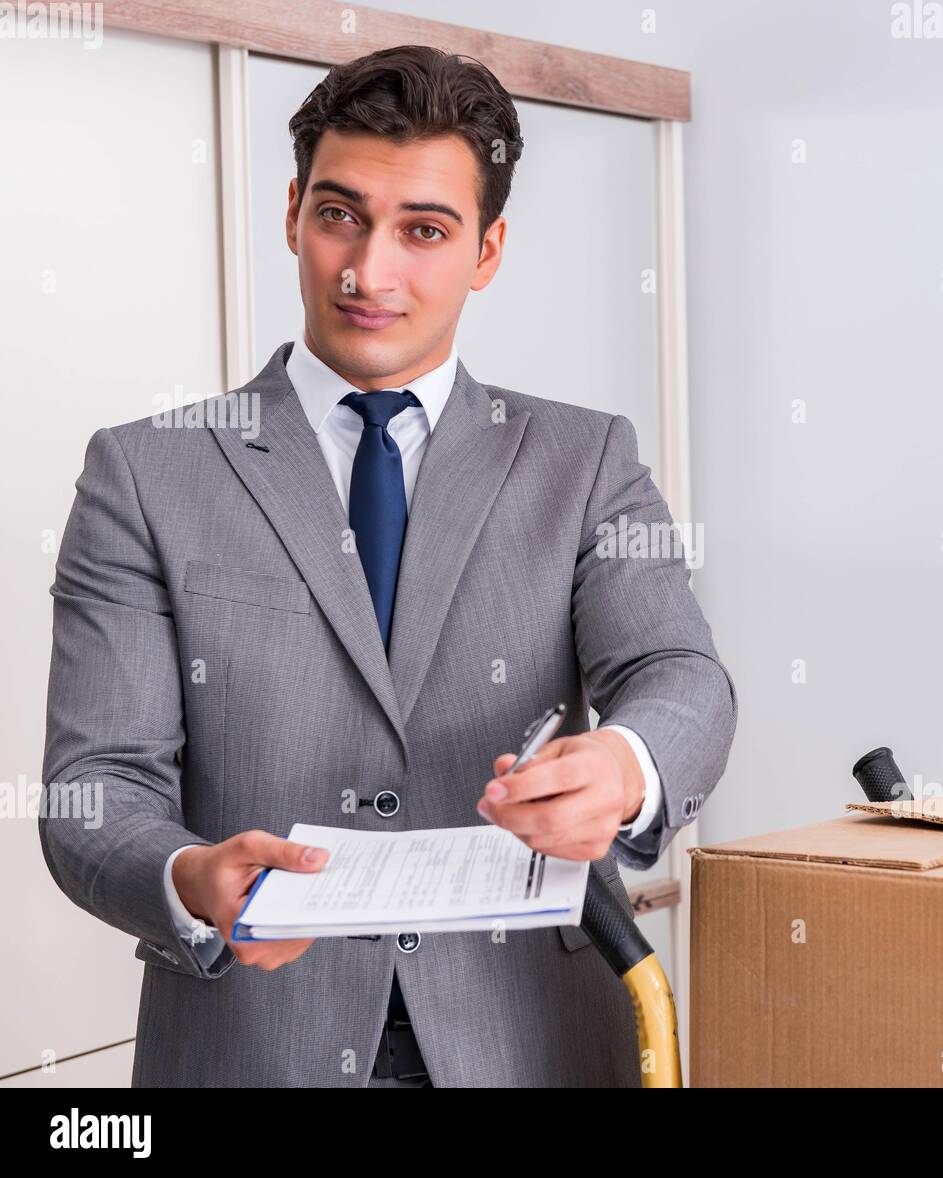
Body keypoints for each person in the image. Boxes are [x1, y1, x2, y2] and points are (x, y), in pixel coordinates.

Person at [39, 44, 737, 1088]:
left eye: (423, 229)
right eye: (339, 215)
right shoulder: (146, 473)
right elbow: (94, 787)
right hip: (252, 1040)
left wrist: (624, 765)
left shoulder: (582, 460)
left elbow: (681, 673)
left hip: (530, 1040)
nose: (370, 271)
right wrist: (187, 873)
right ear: (291, 215)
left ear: (487, 249)